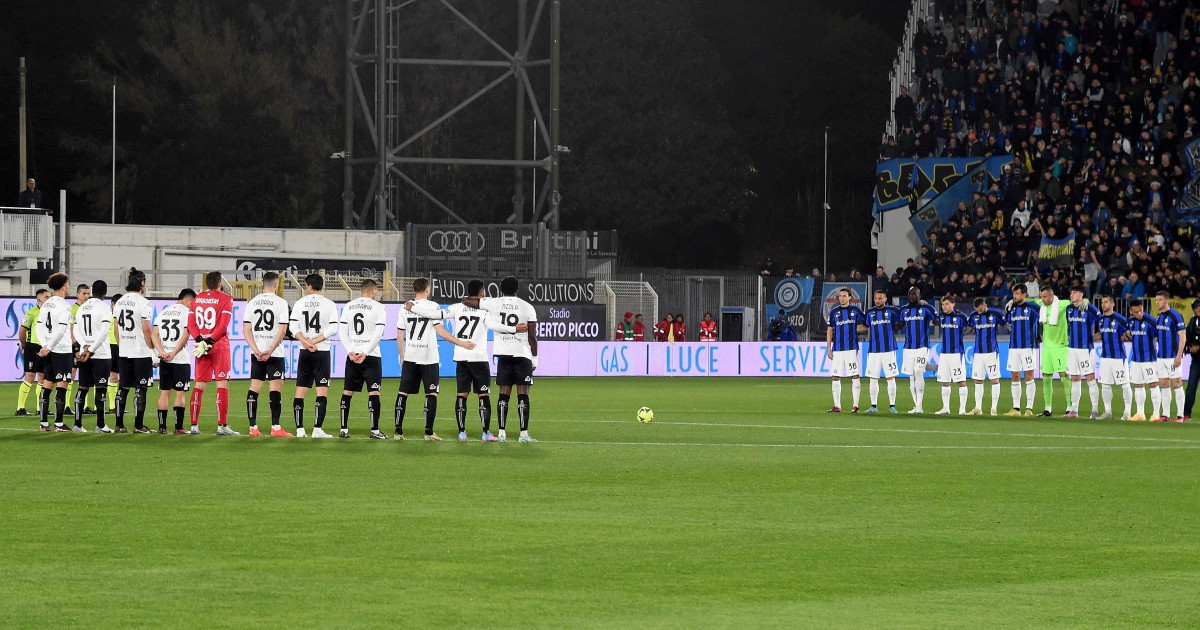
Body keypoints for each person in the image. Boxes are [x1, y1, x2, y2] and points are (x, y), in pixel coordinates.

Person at [407, 278, 525, 442]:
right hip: (478, 357)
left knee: (462, 394)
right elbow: (495, 326)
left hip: (461, 357)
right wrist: (514, 328)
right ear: (481, 292)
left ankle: (462, 433)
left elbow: (436, 314)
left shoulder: (456, 308)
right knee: (483, 394)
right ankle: (485, 433)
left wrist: (414, 308)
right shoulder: (484, 311)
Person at [394, 278, 475, 441]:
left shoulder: (404, 307)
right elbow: (441, 332)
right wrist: (461, 343)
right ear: (427, 290)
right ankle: (429, 432)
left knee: (403, 393)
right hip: (428, 357)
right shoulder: (433, 307)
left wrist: (402, 356)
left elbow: (399, 335)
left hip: (411, 356)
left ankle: (398, 431)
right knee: (431, 393)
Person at [461, 276, 539, 442]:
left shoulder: (493, 302)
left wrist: (481, 299)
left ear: (501, 289)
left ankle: (502, 433)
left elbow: (467, 301)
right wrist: (535, 358)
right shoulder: (528, 307)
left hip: (503, 354)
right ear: (517, 289)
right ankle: (523, 434)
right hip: (522, 354)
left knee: (503, 395)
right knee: (523, 394)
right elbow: (532, 336)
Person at [289, 273, 340, 438]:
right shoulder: (330, 304)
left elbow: (293, 326)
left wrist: (306, 341)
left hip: (305, 351)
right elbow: (332, 328)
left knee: (300, 390)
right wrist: (315, 341)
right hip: (321, 351)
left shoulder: (299, 303)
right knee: (322, 391)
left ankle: (300, 429)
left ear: (309, 286)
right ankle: (317, 429)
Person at [338, 279, 389, 439]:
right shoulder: (379, 307)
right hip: (371, 356)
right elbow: (378, 334)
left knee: (347, 392)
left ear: (361, 290)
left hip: (353, 355)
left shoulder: (349, 306)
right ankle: (374, 431)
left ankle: (344, 429)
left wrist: (350, 351)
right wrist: (366, 352)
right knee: (374, 392)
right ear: (374, 290)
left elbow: (341, 332)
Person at [242, 272, 291, 437]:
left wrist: (255, 348)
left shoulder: (253, 302)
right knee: (276, 387)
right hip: (274, 352)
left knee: (254, 387)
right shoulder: (281, 303)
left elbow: (246, 329)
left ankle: (252, 427)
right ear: (276, 285)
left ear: (263, 284)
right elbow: (283, 330)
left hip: (256, 352)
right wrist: (270, 349)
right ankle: (276, 428)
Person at [188, 271, 238, 435]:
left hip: (201, 346)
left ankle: (194, 426)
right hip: (218, 346)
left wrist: (201, 340)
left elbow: (191, 324)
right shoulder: (226, 299)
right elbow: (223, 326)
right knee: (222, 383)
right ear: (220, 283)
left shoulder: (197, 299)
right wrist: (210, 341)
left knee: (199, 385)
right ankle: (222, 426)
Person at [114, 269, 157, 433]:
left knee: (123, 388)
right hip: (140, 351)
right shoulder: (143, 302)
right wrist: (152, 350)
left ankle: (119, 424)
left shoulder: (119, 302)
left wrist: (121, 346)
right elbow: (147, 329)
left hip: (124, 351)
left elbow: (116, 329)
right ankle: (138, 425)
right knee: (141, 388)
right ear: (142, 283)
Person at [72, 280, 114, 433]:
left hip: (85, 354)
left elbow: (75, 331)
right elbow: (104, 333)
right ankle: (101, 425)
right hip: (100, 354)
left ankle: (77, 424)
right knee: (101, 389)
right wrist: (92, 349)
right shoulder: (104, 308)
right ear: (105, 292)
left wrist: (84, 347)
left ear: (92, 290)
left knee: (83, 388)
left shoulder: (82, 307)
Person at [34, 273, 74, 432]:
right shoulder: (64, 305)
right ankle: (59, 423)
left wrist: (45, 345)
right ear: (64, 286)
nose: (69, 287)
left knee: (47, 383)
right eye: (68, 284)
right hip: (62, 350)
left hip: (48, 350)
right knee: (62, 384)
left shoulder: (46, 304)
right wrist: (49, 346)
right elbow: (61, 329)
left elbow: (39, 327)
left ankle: (43, 423)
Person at [153, 289, 195, 434]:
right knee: (180, 393)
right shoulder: (187, 313)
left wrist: (162, 352)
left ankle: (162, 427)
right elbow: (185, 335)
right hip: (180, 359)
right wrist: (173, 353)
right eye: (193, 303)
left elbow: (154, 334)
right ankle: (178, 427)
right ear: (188, 300)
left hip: (165, 359)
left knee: (164, 393)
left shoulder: (164, 312)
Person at [826, 288, 866, 413]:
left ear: (850, 297)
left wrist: (853, 329)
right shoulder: (833, 312)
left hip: (851, 348)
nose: (841, 298)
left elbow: (866, 325)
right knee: (835, 376)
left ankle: (855, 406)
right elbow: (829, 330)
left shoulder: (856, 310)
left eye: (844, 296)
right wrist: (828, 348)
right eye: (840, 296)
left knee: (854, 375)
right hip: (837, 349)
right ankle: (837, 406)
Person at [1031, 287, 1069, 417]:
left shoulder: (1063, 304)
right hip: (1046, 347)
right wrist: (1013, 301)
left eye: (1045, 296)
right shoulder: (1041, 305)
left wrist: (1085, 302)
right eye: (1041, 297)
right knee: (1046, 378)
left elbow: (1079, 301)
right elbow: (1030, 301)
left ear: (1052, 295)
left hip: (1060, 346)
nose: (1043, 299)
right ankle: (1048, 409)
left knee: (1064, 376)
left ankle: (1070, 408)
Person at [1064, 287, 1101, 419]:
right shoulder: (1069, 309)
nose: (1072, 295)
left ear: (1081, 295)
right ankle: (1074, 410)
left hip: (1085, 349)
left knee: (1090, 378)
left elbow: (1100, 319)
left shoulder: (1089, 308)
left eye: (1074, 293)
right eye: (1071, 292)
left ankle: (1095, 411)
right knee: (1075, 378)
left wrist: (1098, 333)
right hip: (1072, 348)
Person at [1096, 295, 1134, 421]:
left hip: (1118, 357)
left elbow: (1130, 335)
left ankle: (1127, 412)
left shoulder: (1120, 319)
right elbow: (1100, 335)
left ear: (1112, 304)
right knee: (1105, 385)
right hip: (1105, 357)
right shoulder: (1100, 320)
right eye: (1102, 302)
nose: (1103, 304)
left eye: (1106, 302)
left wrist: (1126, 336)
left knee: (1125, 384)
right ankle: (1108, 412)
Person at [965, 298, 1005, 416]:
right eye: (977, 310)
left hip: (992, 352)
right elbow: (969, 329)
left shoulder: (996, 314)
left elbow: (1007, 324)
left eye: (981, 310)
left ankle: (994, 408)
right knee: (978, 380)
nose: (979, 312)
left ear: (985, 305)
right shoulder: (973, 316)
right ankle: (978, 408)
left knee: (994, 379)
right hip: (978, 353)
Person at [899, 287, 937, 414]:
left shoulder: (927, 308)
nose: (911, 296)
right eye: (909, 294)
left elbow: (937, 321)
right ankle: (916, 406)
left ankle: (920, 406)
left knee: (918, 371)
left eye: (914, 294)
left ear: (919, 295)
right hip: (908, 348)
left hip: (922, 346)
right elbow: (899, 325)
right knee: (911, 377)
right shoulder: (904, 310)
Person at [1004, 284, 1040, 416]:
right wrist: (1007, 310)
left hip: (1027, 346)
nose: (1015, 296)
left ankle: (1029, 408)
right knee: (1015, 376)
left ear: (1025, 294)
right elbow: (1007, 322)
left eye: (1018, 293)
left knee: (1029, 376)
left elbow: (1044, 313)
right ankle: (1016, 408)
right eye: (1014, 294)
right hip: (1014, 346)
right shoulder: (1011, 307)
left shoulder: (1033, 307)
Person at [863, 291, 901, 413]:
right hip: (874, 351)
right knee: (873, 379)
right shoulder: (869, 312)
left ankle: (892, 406)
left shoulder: (893, 311)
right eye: (876, 298)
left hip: (888, 350)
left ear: (885, 298)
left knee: (890, 377)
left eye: (880, 298)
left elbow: (904, 316)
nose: (878, 300)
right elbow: (865, 326)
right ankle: (873, 406)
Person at [1153, 291, 1186, 422]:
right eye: (1156, 300)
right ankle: (1165, 414)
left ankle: (1180, 415)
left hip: (1172, 356)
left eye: (1159, 300)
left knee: (1177, 383)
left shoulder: (1176, 316)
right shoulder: (1159, 316)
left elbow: (1182, 336)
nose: (1157, 302)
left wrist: (1179, 355)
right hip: (1161, 356)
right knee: (1163, 383)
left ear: (1166, 301)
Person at [15, 289, 49, 416]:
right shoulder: (31, 313)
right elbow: (22, 331)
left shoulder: (49, 313)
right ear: (39, 299)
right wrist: (25, 346)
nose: (48, 299)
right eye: (46, 297)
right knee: (30, 376)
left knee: (42, 378)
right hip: (33, 347)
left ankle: (40, 408)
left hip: (44, 347)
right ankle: (20, 408)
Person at [1125, 300, 1160, 422]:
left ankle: (1156, 413)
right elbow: (1131, 335)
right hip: (1135, 359)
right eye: (1135, 312)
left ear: (1143, 308)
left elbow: (1159, 337)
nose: (1139, 313)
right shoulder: (1130, 321)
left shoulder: (1151, 321)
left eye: (1140, 310)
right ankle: (1140, 413)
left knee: (1153, 384)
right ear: (1131, 311)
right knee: (1138, 385)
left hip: (1149, 359)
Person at [935, 295, 969, 415]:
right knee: (945, 381)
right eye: (943, 304)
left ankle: (962, 409)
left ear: (953, 304)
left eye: (947, 304)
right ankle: (945, 408)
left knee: (960, 381)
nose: (945, 307)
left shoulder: (961, 317)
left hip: (956, 353)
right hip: (944, 354)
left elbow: (970, 327)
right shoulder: (941, 316)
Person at [65, 283, 91, 416]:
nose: (86, 296)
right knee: (72, 374)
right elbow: (72, 330)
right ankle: (67, 405)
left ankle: (85, 406)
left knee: (86, 376)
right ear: (77, 294)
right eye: (84, 293)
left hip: (87, 347)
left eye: (88, 293)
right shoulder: (73, 309)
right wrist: (76, 348)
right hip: (76, 347)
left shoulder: (90, 309)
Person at [1183, 299, 1200, 420]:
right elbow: (1187, 336)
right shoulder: (1193, 321)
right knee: (1191, 387)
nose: (1197, 309)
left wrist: (1198, 347)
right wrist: (1189, 346)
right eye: (1196, 308)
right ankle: (1186, 413)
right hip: (1196, 360)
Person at [106, 293, 121, 412]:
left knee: (114, 377)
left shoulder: (122, 317)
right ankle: (108, 406)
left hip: (118, 347)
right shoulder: (107, 314)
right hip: (108, 347)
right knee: (107, 376)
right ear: (112, 304)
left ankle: (113, 406)